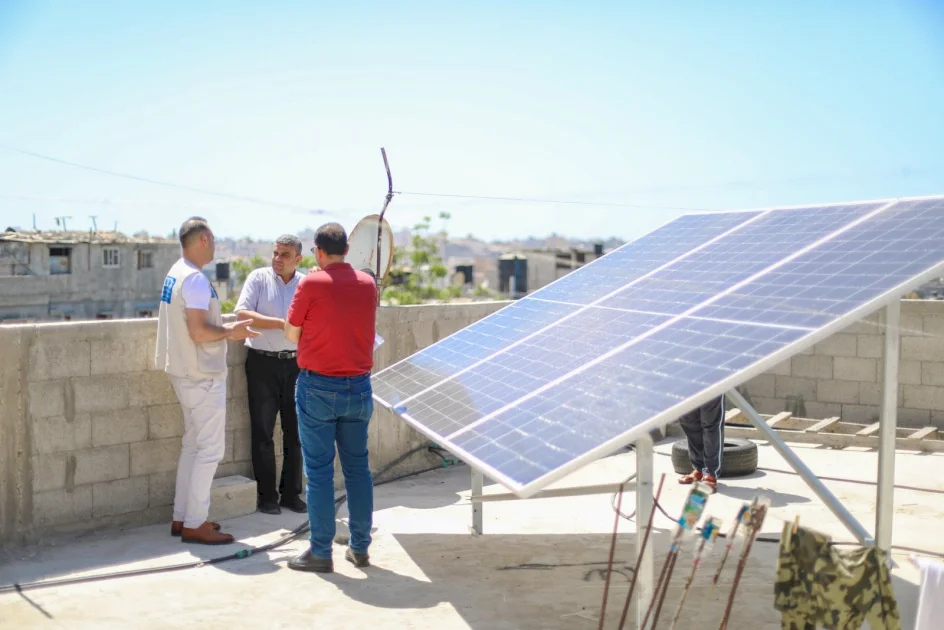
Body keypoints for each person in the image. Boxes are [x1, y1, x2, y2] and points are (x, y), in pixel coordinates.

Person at [155, 217, 259, 545]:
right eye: (212, 239)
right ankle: (195, 523)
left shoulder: (176, 272)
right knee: (209, 450)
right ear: (202, 240)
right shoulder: (196, 279)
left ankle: (182, 517)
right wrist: (232, 332)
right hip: (201, 375)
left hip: (182, 370)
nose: (215, 245)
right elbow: (199, 331)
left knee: (192, 446)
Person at [283, 222, 378, 573]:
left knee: (320, 473)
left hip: (319, 388)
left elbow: (291, 334)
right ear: (347, 250)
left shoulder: (310, 282)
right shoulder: (368, 285)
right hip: (359, 387)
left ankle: (321, 552)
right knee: (358, 470)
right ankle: (360, 547)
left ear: (318, 252)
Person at [234, 235, 306, 515]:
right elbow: (242, 314)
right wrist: (281, 324)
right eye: (276, 253)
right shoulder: (258, 278)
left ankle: (291, 494)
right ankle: (266, 498)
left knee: (296, 432)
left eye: (285, 254)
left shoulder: (305, 284)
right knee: (263, 432)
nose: (278, 259)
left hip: (297, 365)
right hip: (262, 364)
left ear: (298, 259)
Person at [677, 395, 725, 492]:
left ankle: (711, 473)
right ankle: (699, 468)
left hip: (712, 382)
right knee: (688, 421)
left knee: (710, 424)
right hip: (686, 382)